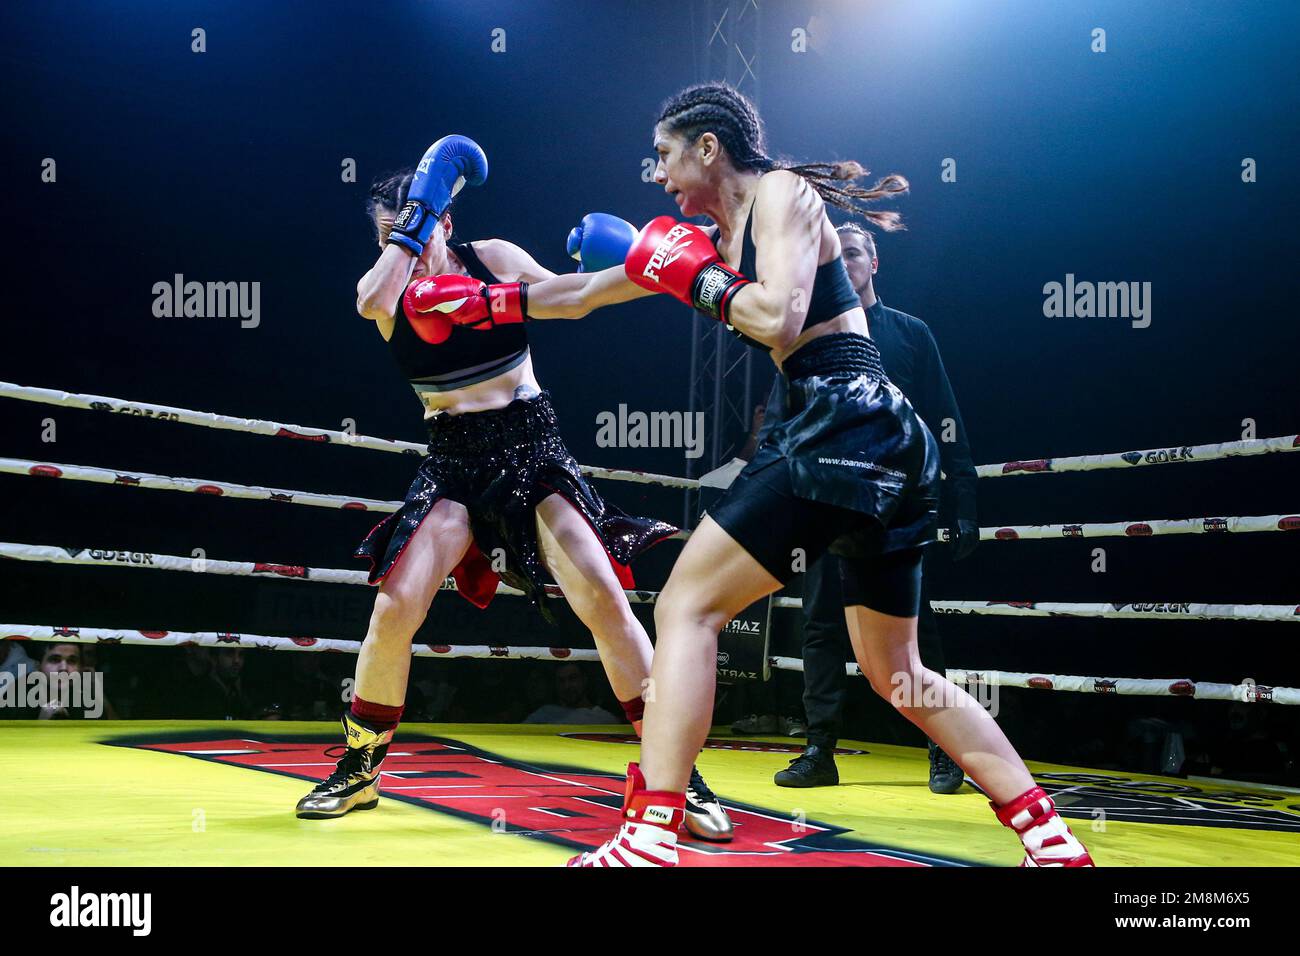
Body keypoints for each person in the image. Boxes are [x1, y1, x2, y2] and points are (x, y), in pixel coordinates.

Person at [406, 84, 1093, 867]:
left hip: (842, 412)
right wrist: (482, 301)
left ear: (707, 146)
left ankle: (651, 834)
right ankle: (1052, 839)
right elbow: (581, 297)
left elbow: (777, 319)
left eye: (664, 154)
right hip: (869, 434)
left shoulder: (782, 195)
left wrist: (695, 276)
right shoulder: (709, 233)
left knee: (687, 605)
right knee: (896, 672)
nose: (657, 173)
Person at [295, 136, 732, 843]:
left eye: (416, 228)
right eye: (389, 237)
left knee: (604, 601)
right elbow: (368, 296)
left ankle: (676, 774)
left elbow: (575, 296)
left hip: (530, 447)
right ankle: (360, 767)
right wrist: (413, 220)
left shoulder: (491, 257)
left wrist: (669, 265)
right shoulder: (388, 290)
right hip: (451, 462)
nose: (401, 249)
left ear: (446, 220)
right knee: (395, 605)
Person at [772, 223, 979, 794]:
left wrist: (964, 498)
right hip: (822, 493)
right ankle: (819, 751)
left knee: (916, 631)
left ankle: (944, 746)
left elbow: (945, 416)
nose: (848, 263)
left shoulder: (911, 333)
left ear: (874, 262)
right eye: (840, 256)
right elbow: (782, 417)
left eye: (857, 252)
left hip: (892, 497)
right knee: (819, 624)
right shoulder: (809, 333)